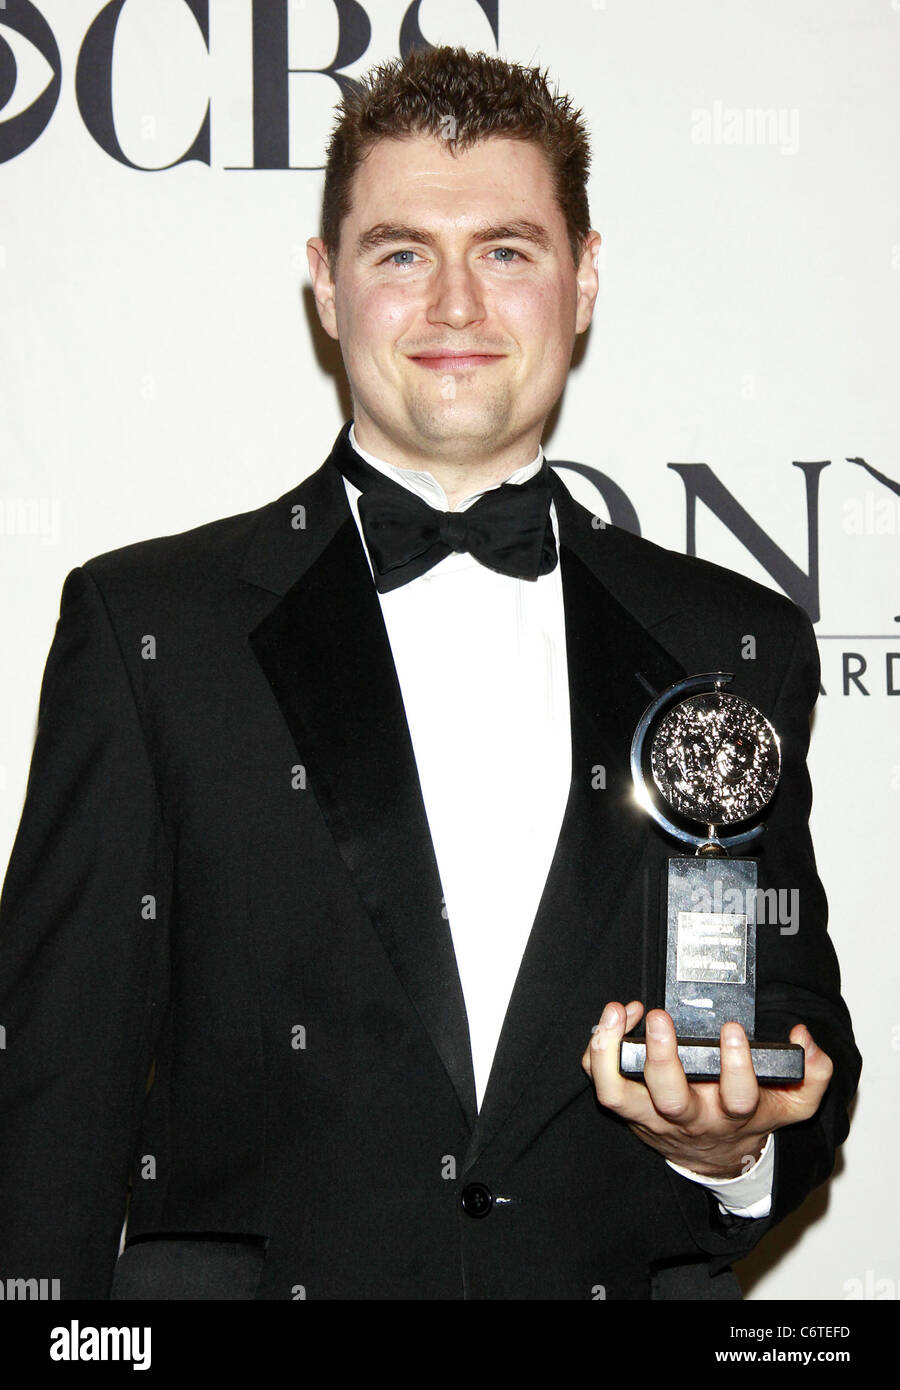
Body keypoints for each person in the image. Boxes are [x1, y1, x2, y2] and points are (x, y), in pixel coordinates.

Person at [0, 45, 860, 1301]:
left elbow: (797, 1038)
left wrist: (731, 1145)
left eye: (507, 250)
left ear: (584, 281)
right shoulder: (151, 630)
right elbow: (54, 1091)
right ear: (327, 291)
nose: (455, 305)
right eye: (402, 253)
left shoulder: (735, 644)